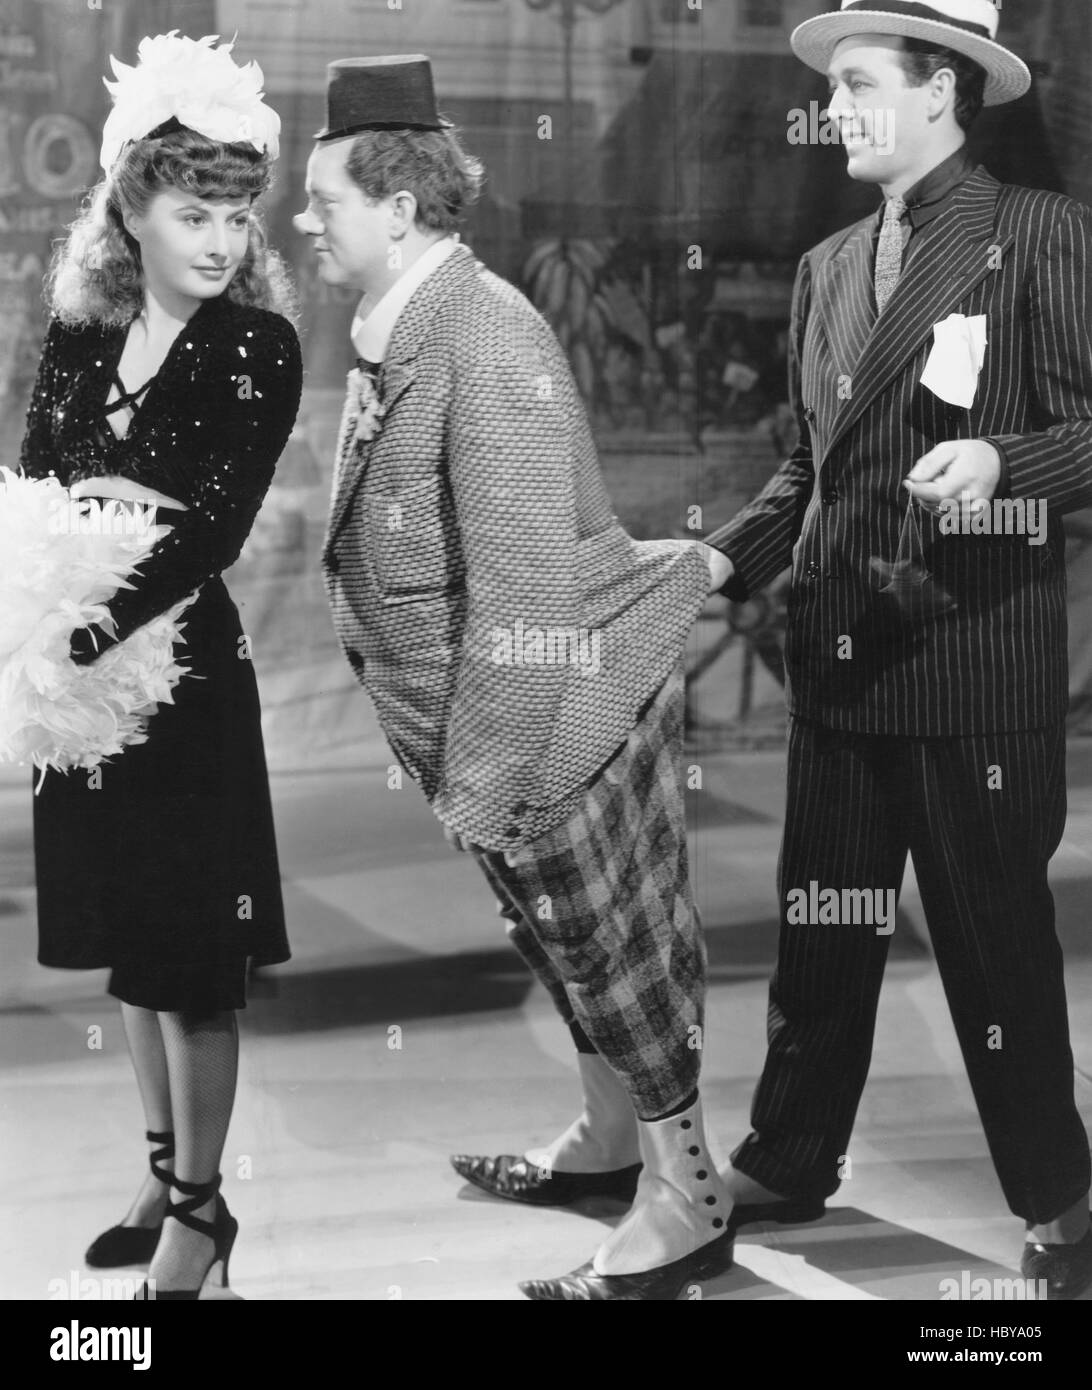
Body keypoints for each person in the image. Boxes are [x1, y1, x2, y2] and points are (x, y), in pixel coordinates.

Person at [296, 54, 734, 1301]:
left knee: (622, 959)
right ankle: (608, 1148)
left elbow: (530, 602)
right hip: (496, 732)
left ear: (396, 202)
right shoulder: (409, 324)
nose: (303, 220)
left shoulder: (485, 336)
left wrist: (487, 784)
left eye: (322, 197)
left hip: (558, 718)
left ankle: (686, 1200)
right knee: (565, 949)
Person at [700, 0, 1092, 1298]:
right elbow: (803, 470)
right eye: (838, 88)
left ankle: (1063, 1195)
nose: (841, 108)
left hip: (972, 666)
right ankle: (793, 1151)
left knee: (994, 950)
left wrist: (1006, 458)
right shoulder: (823, 269)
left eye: (865, 83)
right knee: (825, 927)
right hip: (841, 665)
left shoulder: (1037, 235)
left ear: (944, 91)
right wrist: (715, 562)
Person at [18, 32, 303, 1299]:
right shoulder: (79, 335)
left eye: (238, 215)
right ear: (130, 207)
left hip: (179, 687)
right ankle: (158, 1169)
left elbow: (210, 533)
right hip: (84, 698)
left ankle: (204, 1218)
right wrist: (97, 523)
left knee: (193, 964)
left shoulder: (258, 350)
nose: (223, 241)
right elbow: (36, 488)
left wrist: (75, 612)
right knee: (134, 951)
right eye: (195, 212)